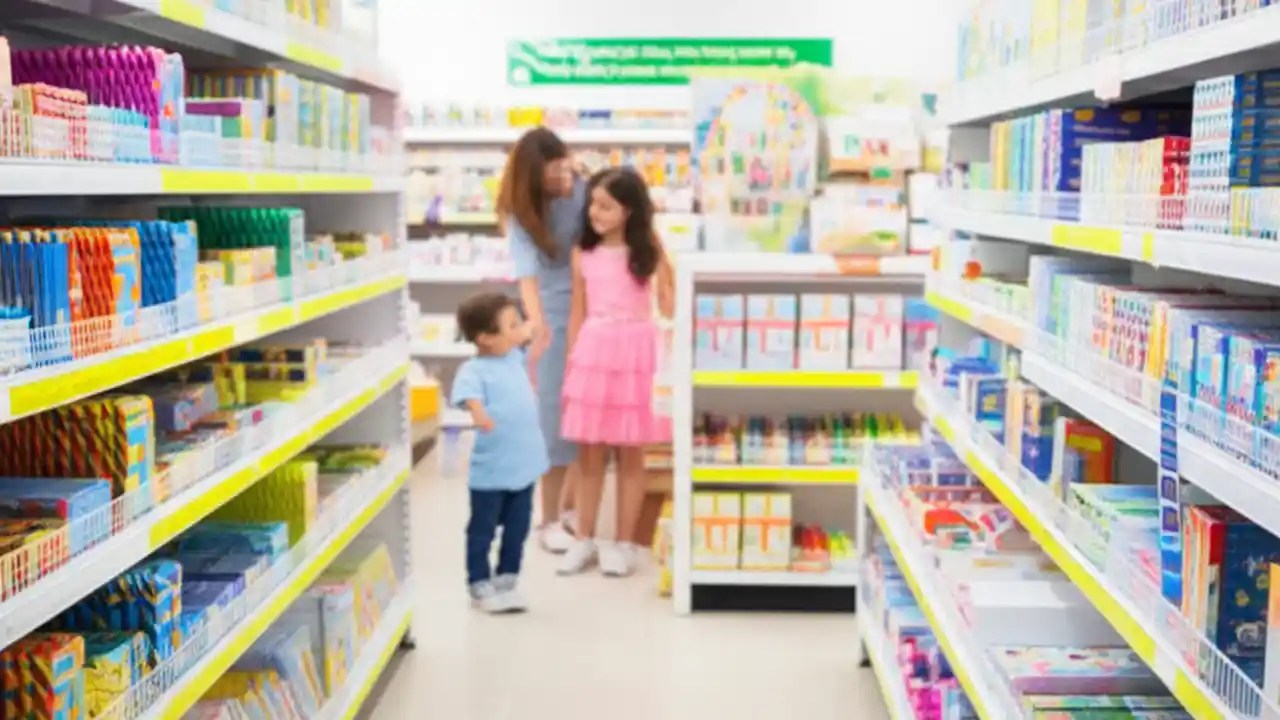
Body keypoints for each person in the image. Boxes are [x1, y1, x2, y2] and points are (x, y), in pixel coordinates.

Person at [558, 167, 674, 577]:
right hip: (594, 350)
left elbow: (671, 302)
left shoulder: (649, 252)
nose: (595, 212)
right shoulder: (582, 253)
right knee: (589, 453)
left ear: (628, 210)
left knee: (631, 453)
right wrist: (571, 366)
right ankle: (583, 538)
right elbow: (577, 312)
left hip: (637, 353)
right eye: (593, 203)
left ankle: (624, 543)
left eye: (606, 206)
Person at [496, 127, 584, 553]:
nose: (563, 179)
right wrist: (539, 324)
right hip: (553, 310)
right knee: (553, 414)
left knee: (584, 413)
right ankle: (547, 519)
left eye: (565, 167)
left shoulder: (582, 190)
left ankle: (568, 511)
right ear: (533, 176)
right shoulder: (521, 211)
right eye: (554, 173)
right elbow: (527, 275)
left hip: (592, 308)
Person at [451, 292, 549, 613]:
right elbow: (467, 394)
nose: (518, 328)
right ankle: (479, 582)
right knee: (483, 527)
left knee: (518, 527)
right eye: (511, 324)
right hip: (492, 470)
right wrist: (477, 412)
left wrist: (525, 325)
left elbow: (531, 332)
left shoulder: (513, 358)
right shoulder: (474, 370)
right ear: (486, 339)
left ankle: (508, 578)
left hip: (522, 464)